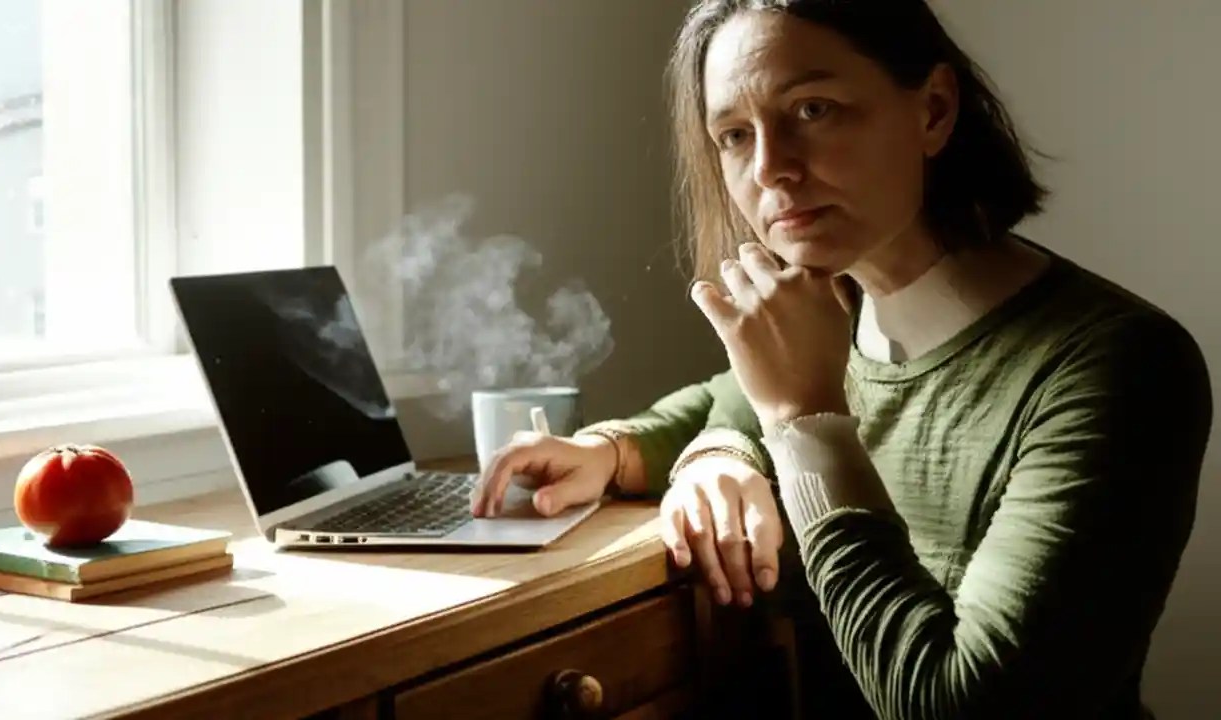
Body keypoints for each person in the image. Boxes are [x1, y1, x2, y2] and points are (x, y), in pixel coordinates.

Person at [470, 0, 1212, 717]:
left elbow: (957, 705)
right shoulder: (842, 309)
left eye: (813, 110)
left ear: (934, 111)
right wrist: (656, 452)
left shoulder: (1122, 367)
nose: (770, 169)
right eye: (732, 134)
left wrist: (807, 424)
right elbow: (727, 399)